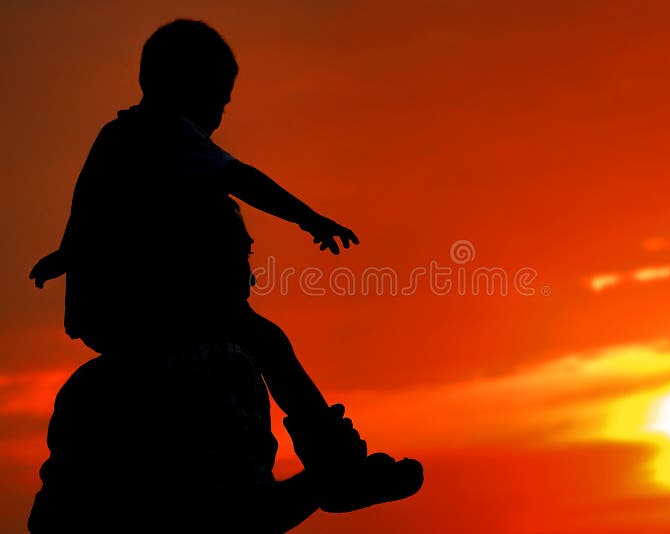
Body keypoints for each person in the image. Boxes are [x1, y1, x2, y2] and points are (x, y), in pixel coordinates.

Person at [28, 19, 422, 533]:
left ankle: (333, 466)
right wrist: (309, 218)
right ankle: (333, 461)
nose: (218, 116)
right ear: (188, 87)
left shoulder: (119, 141)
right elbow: (241, 178)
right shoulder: (168, 133)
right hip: (160, 313)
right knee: (269, 343)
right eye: (219, 100)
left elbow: (100, 212)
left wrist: (66, 256)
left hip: (120, 316)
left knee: (259, 337)